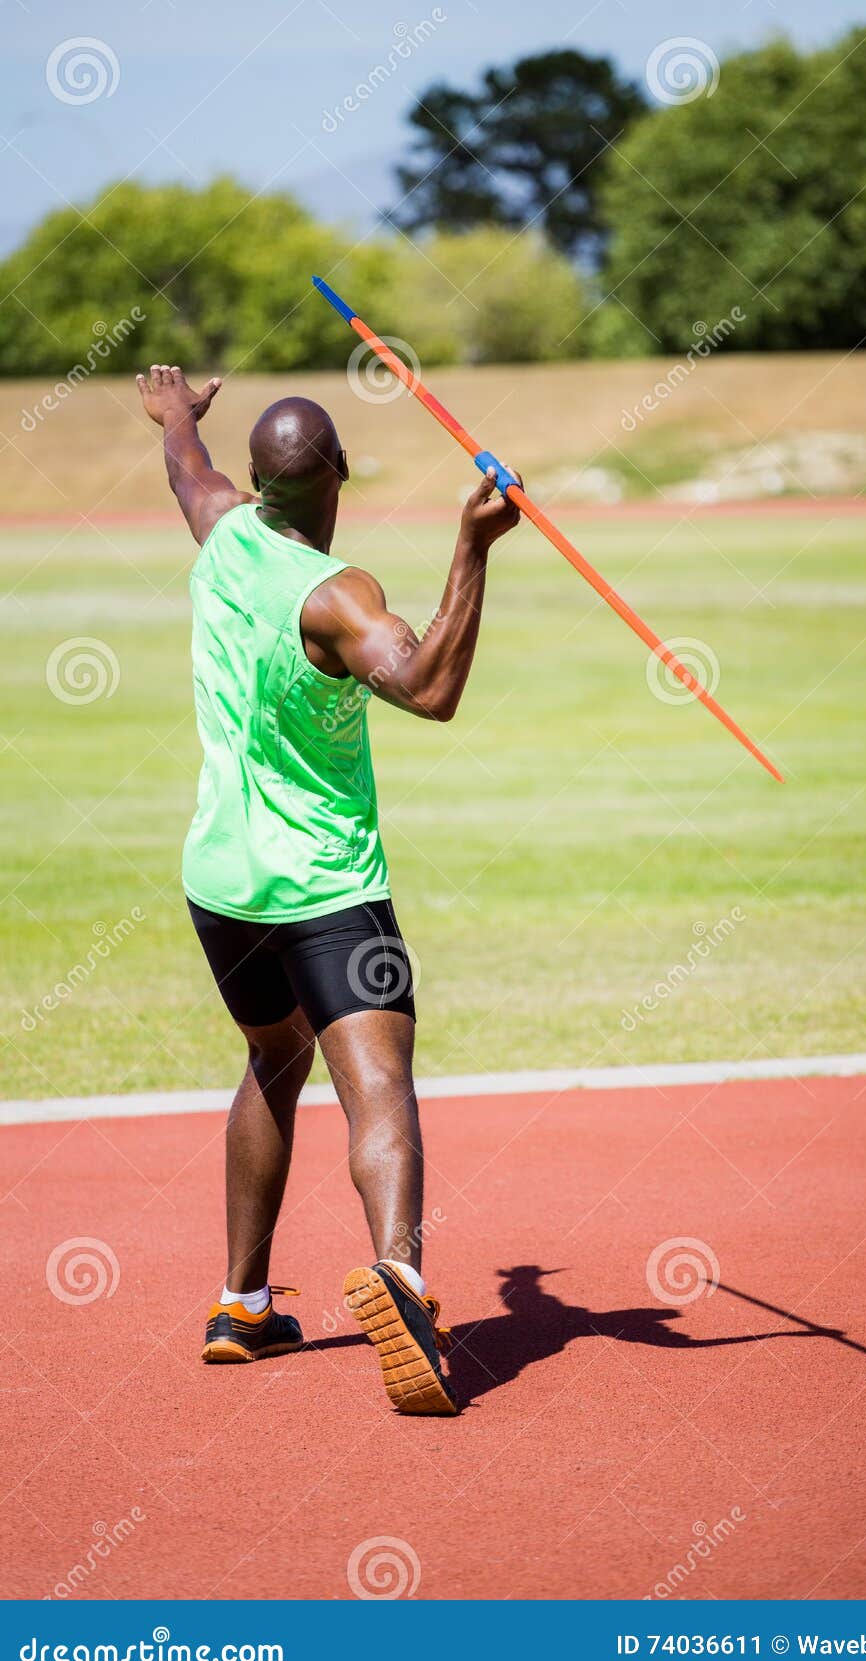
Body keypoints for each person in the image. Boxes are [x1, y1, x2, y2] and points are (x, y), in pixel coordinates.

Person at [136, 363, 521, 1416]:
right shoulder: (342, 596)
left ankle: (241, 1304)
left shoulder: (223, 531)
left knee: (273, 1054)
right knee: (379, 1084)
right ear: (339, 472)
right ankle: (398, 1277)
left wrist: (175, 414)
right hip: (326, 886)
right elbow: (431, 688)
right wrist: (471, 546)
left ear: (258, 482)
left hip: (221, 882)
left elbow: (185, 470)